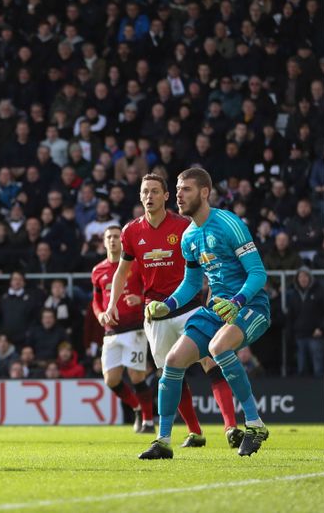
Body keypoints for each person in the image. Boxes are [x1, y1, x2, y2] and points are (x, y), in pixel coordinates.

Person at [138, 168, 271, 459]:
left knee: (218, 347)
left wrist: (237, 301)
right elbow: (191, 283)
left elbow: (258, 273)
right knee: (173, 361)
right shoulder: (189, 236)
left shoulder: (228, 223)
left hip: (249, 305)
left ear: (204, 192)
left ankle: (254, 423)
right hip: (215, 310)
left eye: (185, 189)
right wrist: (168, 305)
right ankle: (162, 441)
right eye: (178, 189)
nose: (179, 195)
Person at [102, 173, 239, 450]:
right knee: (170, 374)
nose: (149, 196)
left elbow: (208, 266)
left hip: (190, 308)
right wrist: (111, 304)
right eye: (145, 192)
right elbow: (121, 272)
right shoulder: (131, 232)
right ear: (140, 197)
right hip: (157, 314)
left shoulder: (185, 226)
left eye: (155, 191)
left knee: (211, 362)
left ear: (166, 196)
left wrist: (216, 296)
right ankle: (195, 432)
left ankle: (231, 427)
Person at [92, 225, 153, 433]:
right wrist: (100, 314)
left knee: (137, 376)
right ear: (104, 242)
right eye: (109, 237)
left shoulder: (135, 265)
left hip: (134, 329)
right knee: (111, 380)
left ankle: (148, 421)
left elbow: (151, 289)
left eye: (116, 237)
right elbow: (96, 300)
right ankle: (136, 407)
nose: (112, 240)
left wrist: (141, 299)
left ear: (122, 240)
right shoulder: (98, 271)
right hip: (111, 331)